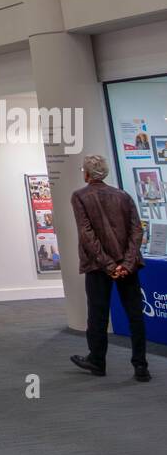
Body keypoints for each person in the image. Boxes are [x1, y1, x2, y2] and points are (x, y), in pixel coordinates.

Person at [70, 154, 150, 381]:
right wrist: (125, 264)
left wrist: (109, 265)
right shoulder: (123, 196)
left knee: (98, 314)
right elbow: (137, 230)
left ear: (86, 173)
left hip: (98, 266)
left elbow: (87, 235)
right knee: (135, 314)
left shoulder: (80, 196)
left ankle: (97, 360)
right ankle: (141, 365)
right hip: (127, 266)